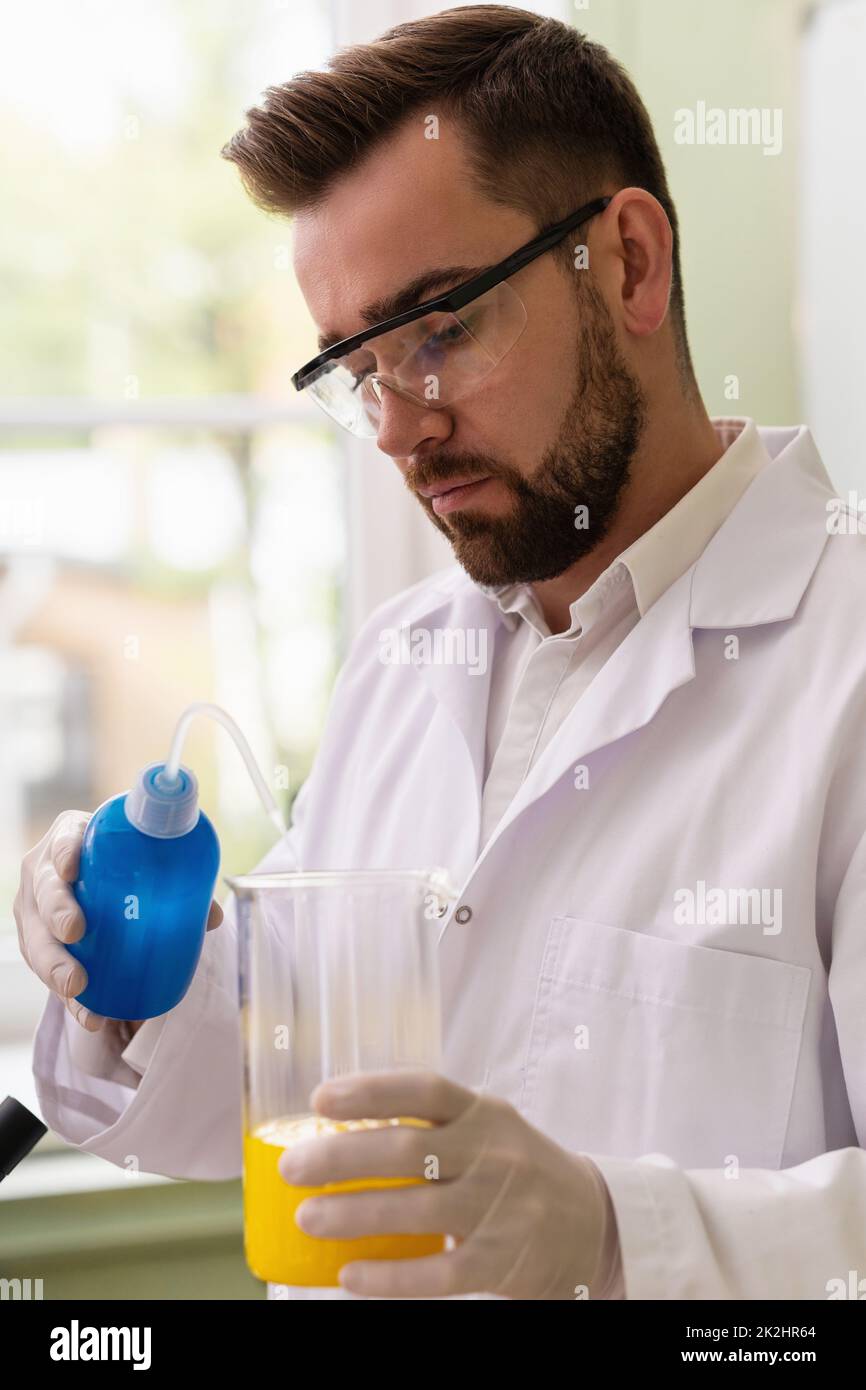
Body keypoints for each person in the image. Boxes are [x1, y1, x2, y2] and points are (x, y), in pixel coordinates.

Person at [17, 5, 866, 1300]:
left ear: (629, 264)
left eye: (438, 329)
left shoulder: (841, 662)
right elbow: (283, 1070)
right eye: (356, 368)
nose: (400, 429)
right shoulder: (403, 660)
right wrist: (133, 973)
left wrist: (612, 1233)